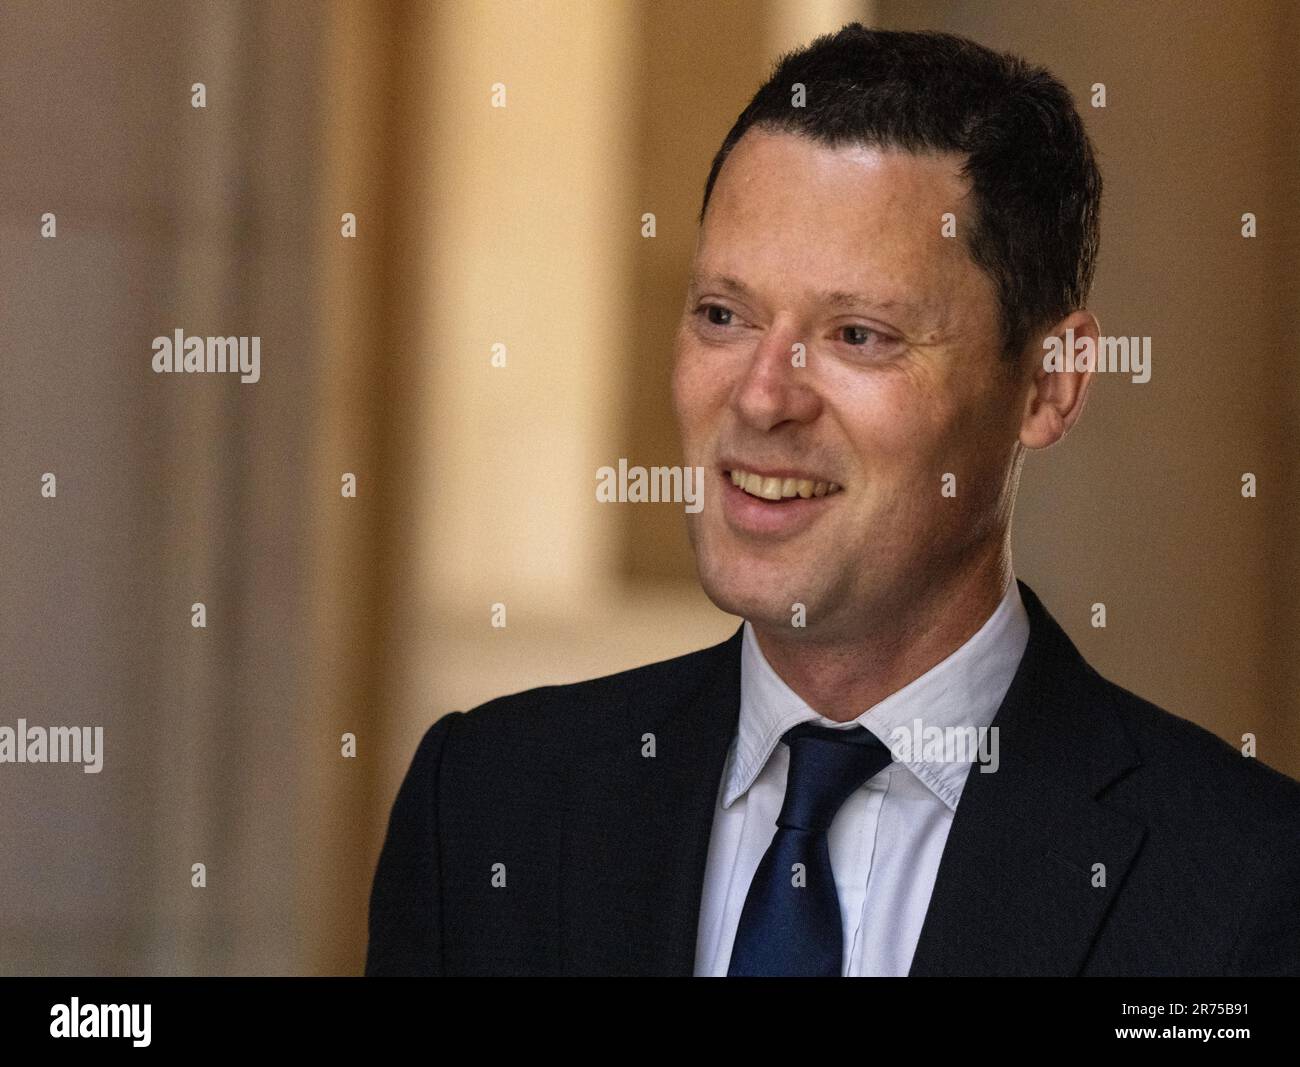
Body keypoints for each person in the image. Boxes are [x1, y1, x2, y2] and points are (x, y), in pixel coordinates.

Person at [365, 25, 1300, 977]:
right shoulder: (488, 805)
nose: (765, 396)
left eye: (859, 334)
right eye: (724, 315)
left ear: (1051, 381)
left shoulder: (1247, 887)